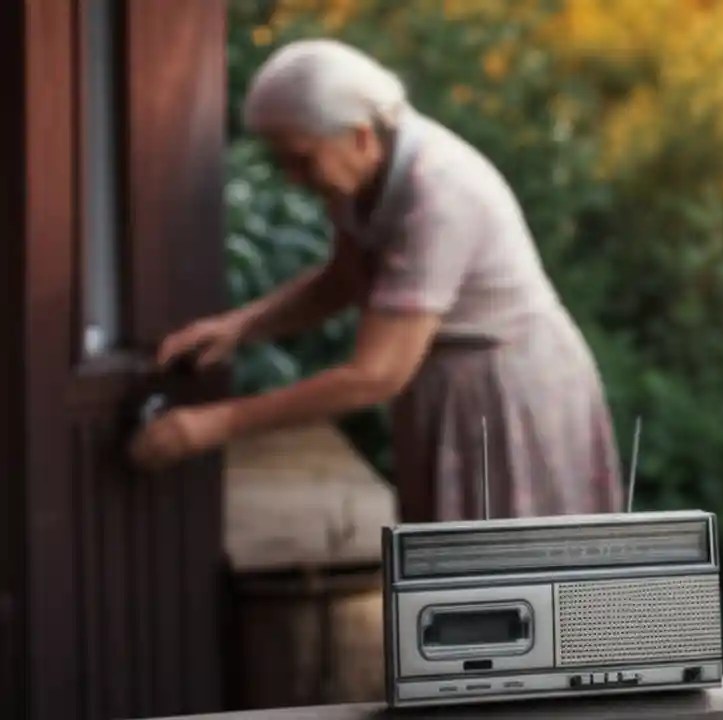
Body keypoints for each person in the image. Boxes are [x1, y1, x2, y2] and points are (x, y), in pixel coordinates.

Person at [130, 39, 623, 521]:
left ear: (361, 136)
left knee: (516, 578)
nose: (294, 178)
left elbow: (376, 374)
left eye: (302, 159)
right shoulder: (362, 176)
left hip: (507, 392)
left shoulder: (438, 194)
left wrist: (215, 424)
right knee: (451, 580)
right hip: (442, 387)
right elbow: (346, 279)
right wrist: (240, 327)